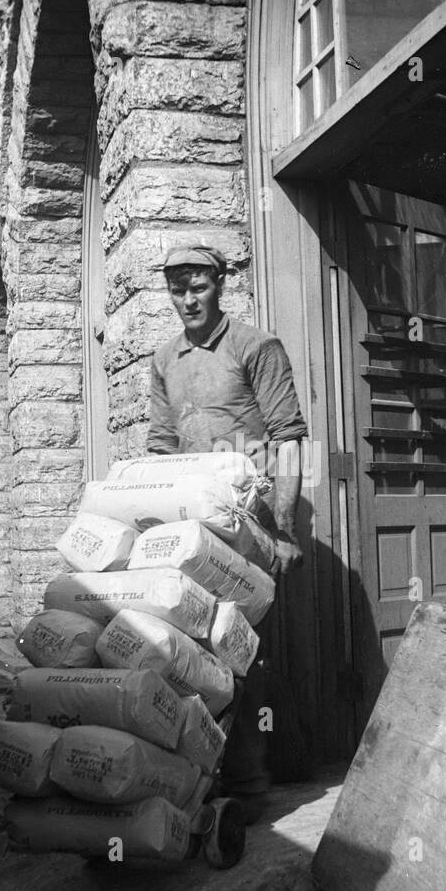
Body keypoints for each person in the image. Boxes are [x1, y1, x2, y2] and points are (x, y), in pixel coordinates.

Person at [147, 245, 309, 819]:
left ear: (221, 285)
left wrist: (285, 529)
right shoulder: (165, 359)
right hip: (194, 530)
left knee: (248, 652)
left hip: (252, 528)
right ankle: (201, 775)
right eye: (177, 290)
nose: (188, 300)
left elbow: (289, 438)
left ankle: (251, 783)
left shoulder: (255, 346)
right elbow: (161, 449)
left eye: (198, 287)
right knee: (193, 648)